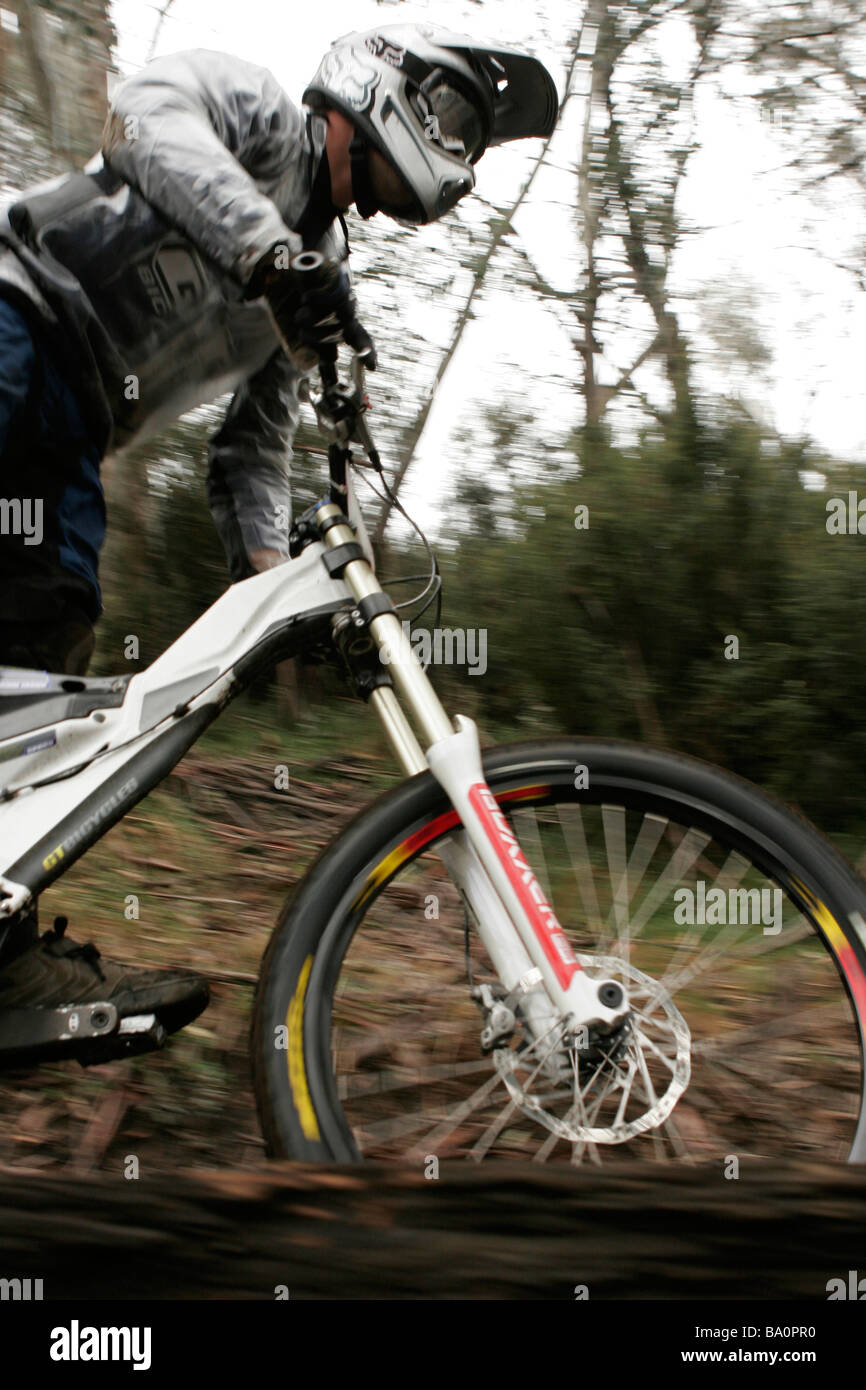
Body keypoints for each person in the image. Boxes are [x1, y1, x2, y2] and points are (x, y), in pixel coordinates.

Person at [0, 25, 558, 1060]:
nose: (455, 151)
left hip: (75, 428)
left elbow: (251, 454)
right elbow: (140, 122)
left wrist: (274, 579)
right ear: (374, 81)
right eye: (449, 118)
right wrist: (270, 253)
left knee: (42, 661)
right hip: (10, 303)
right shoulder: (258, 116)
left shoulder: (315, 274)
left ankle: (0, 959)